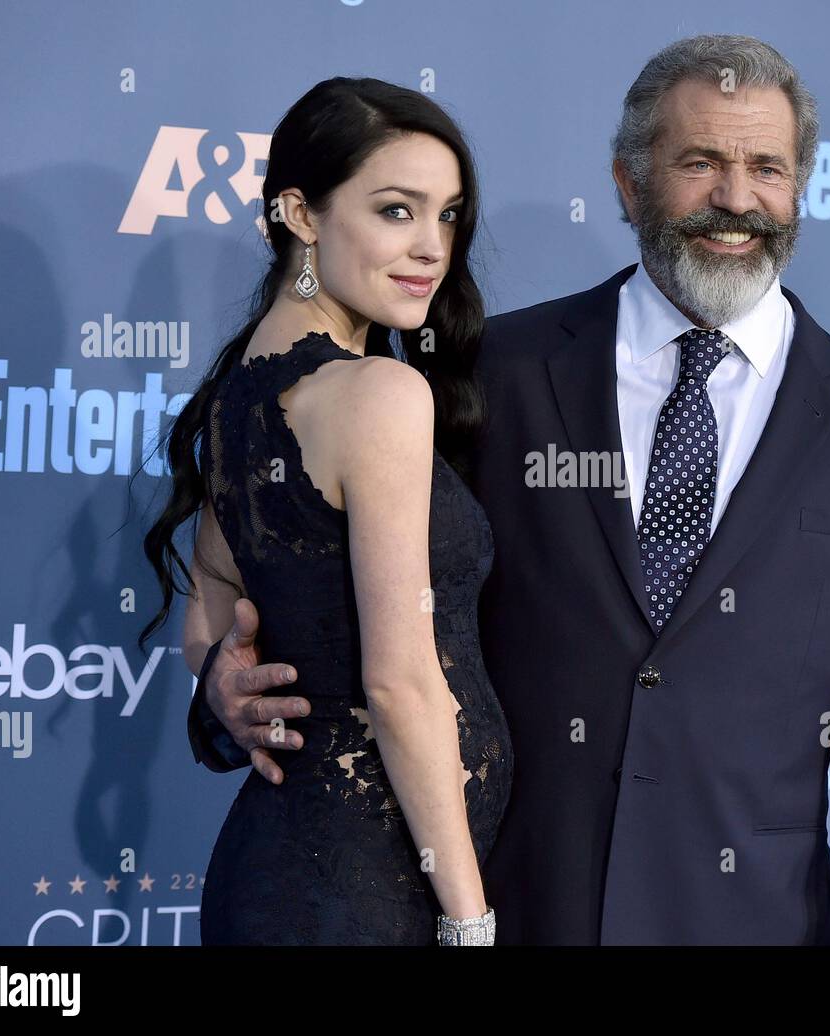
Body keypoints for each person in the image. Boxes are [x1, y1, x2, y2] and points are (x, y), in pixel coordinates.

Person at [191, 35, 830, 945]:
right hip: (504, 906)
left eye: (768, 167)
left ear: (800, 189)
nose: (736, 198)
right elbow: (326, 581)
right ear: (629, 184)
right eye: (700, 161)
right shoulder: (488, 374)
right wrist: (219, 690)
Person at [140, 77, 512, 945]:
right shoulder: (379, 393)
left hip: (289, 878)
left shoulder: (242, 394)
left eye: (449, 216)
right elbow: (399, 683)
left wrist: (222, 687)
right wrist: (469, 919)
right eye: (395, 211)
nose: (432, 249)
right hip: (367, 893)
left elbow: (210, 611)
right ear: (301, 214)